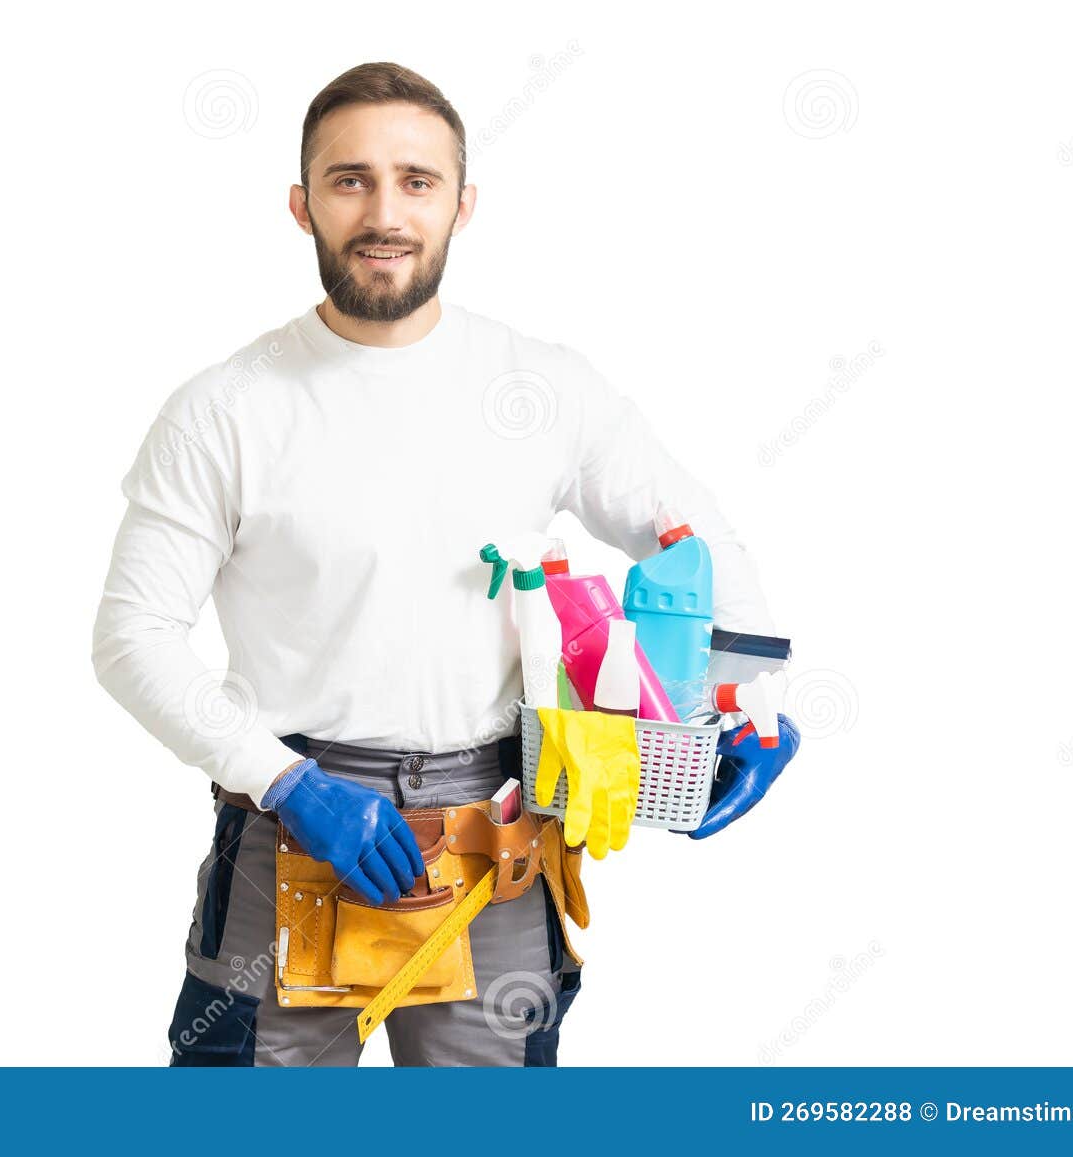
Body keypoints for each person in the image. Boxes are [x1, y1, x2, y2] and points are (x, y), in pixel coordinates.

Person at [92, 62, 791, 1067]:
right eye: (350, 180)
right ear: (301, 205)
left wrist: (753, 699)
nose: (384, 211)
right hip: (288, 837)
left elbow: (696, 540)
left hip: (495, 843)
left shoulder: (544, 387)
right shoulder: (225, 408)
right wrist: (287, 781)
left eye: (416, 181)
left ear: (462, 204)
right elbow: (130, 636)